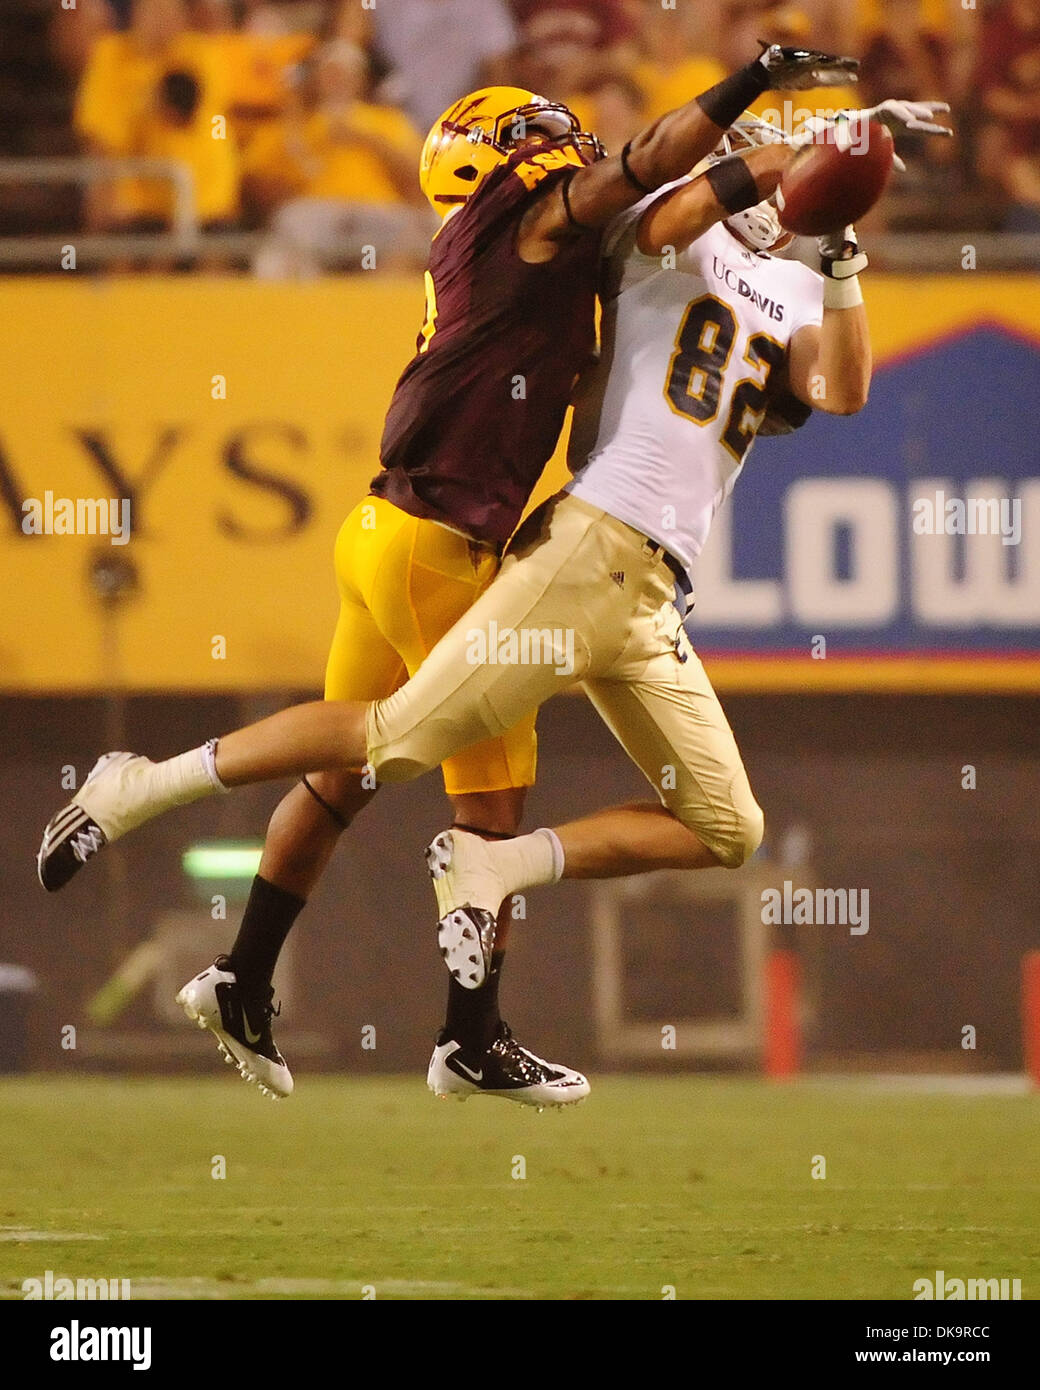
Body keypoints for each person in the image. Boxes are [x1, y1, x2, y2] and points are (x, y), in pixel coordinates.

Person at [38, 44, 869, 1107]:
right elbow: (652, 179)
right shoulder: (530, 220)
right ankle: (458, 1029)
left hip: (408, 525)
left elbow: (820, 384)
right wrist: (786, 126)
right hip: (466, 542)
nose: (558, 138)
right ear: (488, 163)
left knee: (348, 776)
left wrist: (831, 233)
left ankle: (244, 975)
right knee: (446, 787)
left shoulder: (585, 252)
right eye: (530, 133)